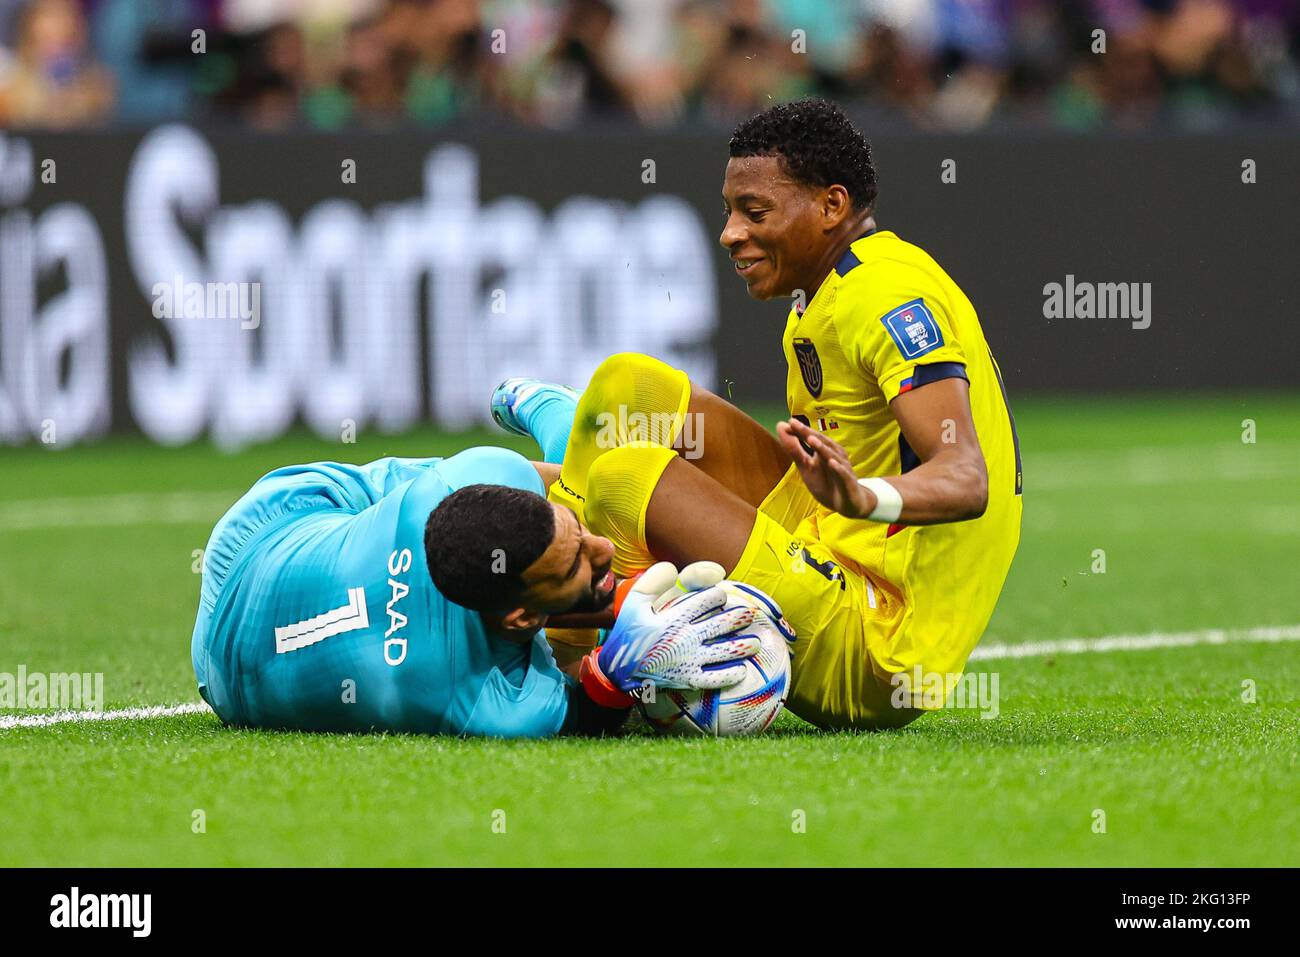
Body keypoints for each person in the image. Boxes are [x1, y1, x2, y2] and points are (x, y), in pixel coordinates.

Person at [492, 98, 1022, 731]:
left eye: (755, 211)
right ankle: (553, 564)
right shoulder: (834, 289)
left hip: (877, 640)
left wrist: (861, 497)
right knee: (626, 389)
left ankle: (576, 680)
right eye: (729, 210)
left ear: (831, 206)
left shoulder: (886, 297)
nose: (729, 233)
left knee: (626, 479)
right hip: (827, 540)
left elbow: (967, 477)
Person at [190, 447, 762, 739]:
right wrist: (621, 668)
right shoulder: (484, 706)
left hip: (258, 536)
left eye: (577, 532)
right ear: (518, 618)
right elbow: (588, 712)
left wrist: (597, 500)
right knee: (573, 637)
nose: (602, 549)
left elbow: (563, 490)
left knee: (567, 511)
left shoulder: (467, 480)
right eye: (573, 564)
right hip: (233, 659)